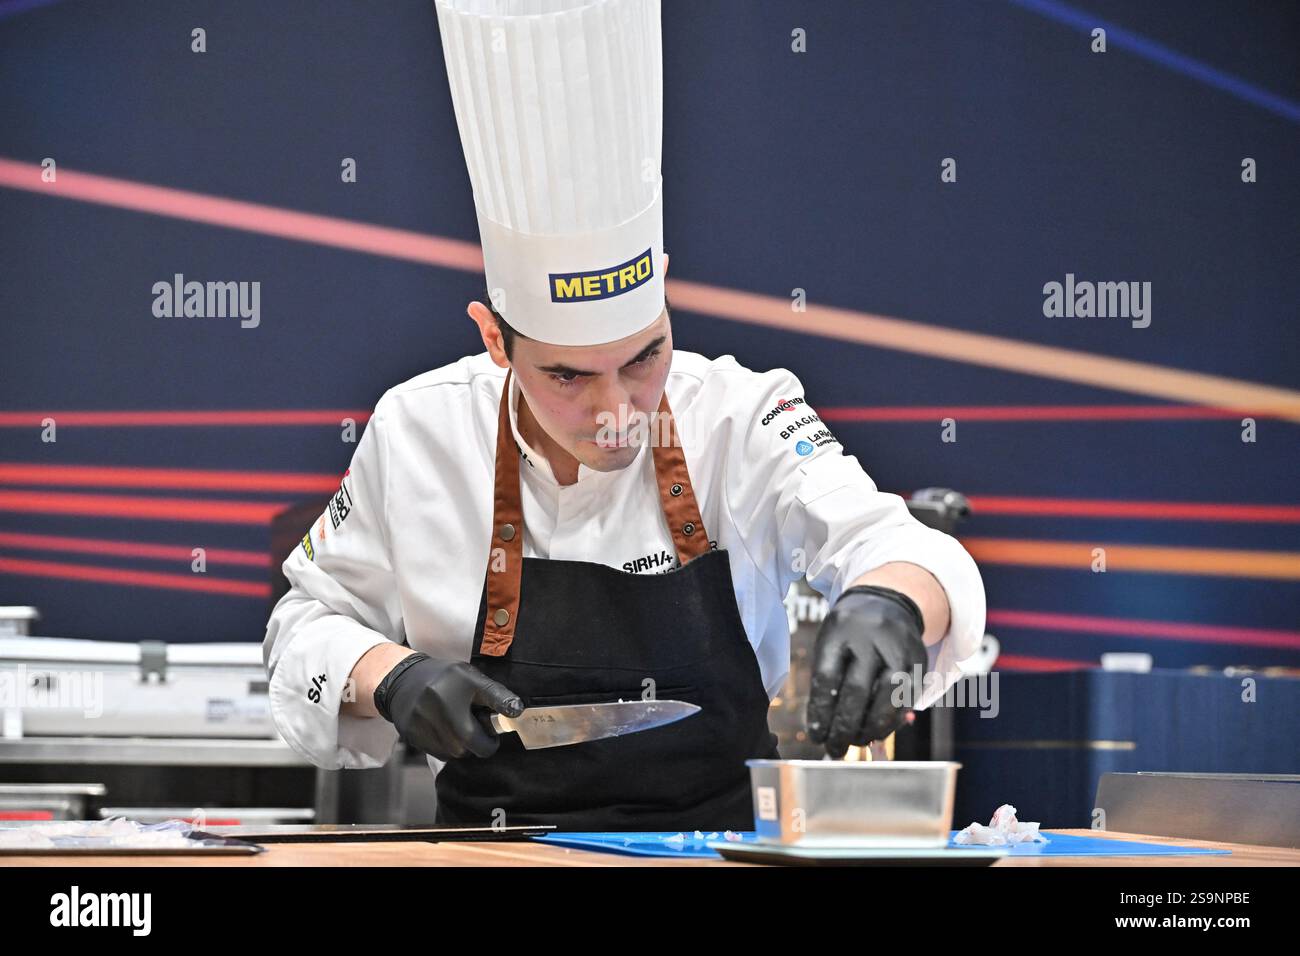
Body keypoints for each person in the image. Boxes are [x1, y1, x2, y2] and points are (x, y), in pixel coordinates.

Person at [262, 0, 986, 831]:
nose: (616, 411)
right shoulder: (418, 431)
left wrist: (888, 604)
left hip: (714, 853)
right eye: (568, 375)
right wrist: (387, 676)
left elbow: (902, 547)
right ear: (494, 339)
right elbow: (301, 628)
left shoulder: (744, 414)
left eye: (644, 357)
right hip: (487, 857)